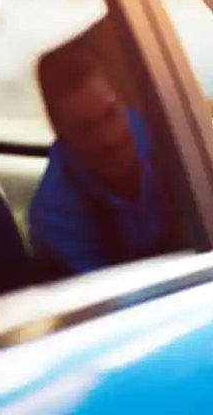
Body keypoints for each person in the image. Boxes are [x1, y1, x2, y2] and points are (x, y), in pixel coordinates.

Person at [28, 41, 171, 278]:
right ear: (62, 137)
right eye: (86, 129)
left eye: (110, 114)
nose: (109, 139)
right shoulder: (56, 216)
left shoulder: (169, 139)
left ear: (121, 102)